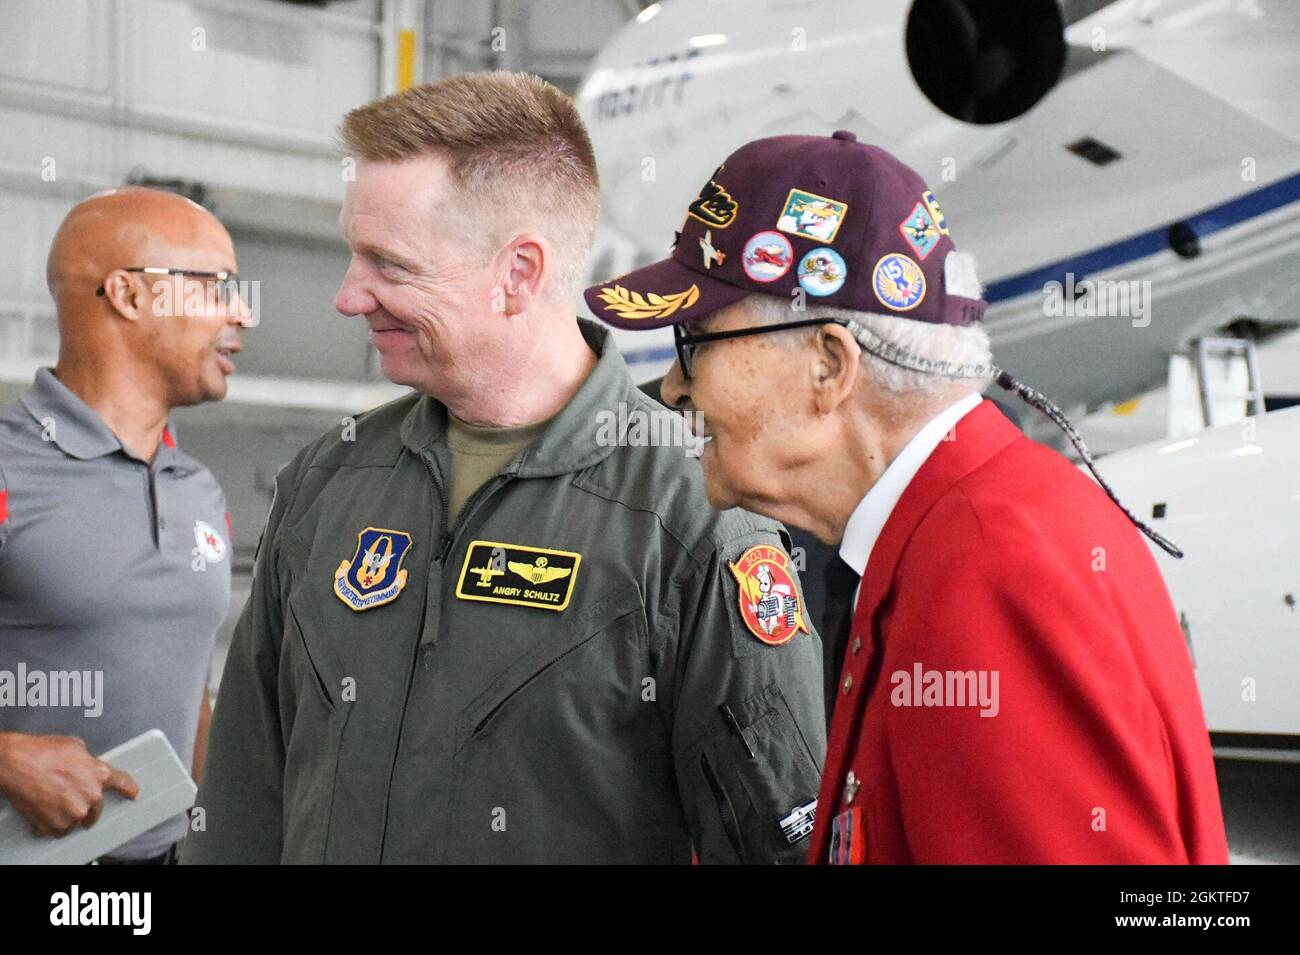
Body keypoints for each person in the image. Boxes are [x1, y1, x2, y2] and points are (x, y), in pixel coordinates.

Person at [182, 72, 825, 865]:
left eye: (388, 263)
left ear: (518, 272)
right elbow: (244, 800)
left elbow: (777, 845)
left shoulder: (699, 516)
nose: (350, 296)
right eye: (355, 254)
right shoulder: (329, 480)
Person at [585, 131, 1229, 864]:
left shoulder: (988, 570)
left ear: (829, 365)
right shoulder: (971, 530)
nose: (673, 387)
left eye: (693, 340)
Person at [0, 186, 248, 863]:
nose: (243, 312)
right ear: (132, 295)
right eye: (218, 285)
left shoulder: (198, 491)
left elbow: (190, 697)